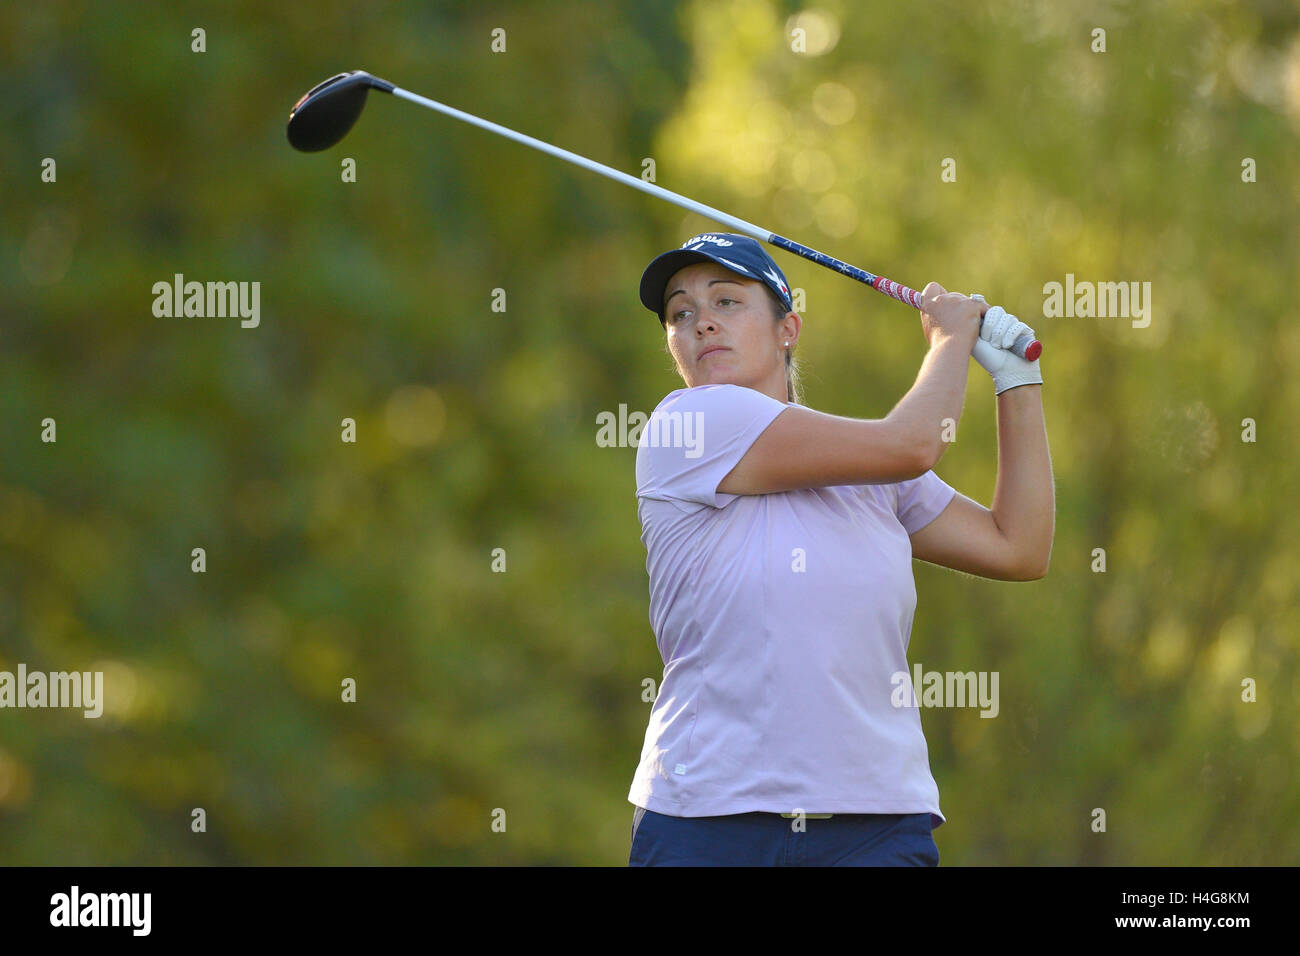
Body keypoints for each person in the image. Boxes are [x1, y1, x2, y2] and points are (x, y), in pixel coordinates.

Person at [626, 232, 1054, 866]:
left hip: (874, 825)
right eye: (681, 313)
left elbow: (1018, 546)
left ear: (787, 328)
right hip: (710, 819)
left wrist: (1018, 381)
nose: (702, 321)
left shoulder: (868, 472)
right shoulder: (685, 426)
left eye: (727, 301)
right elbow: (912, 443)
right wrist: (950, 340)